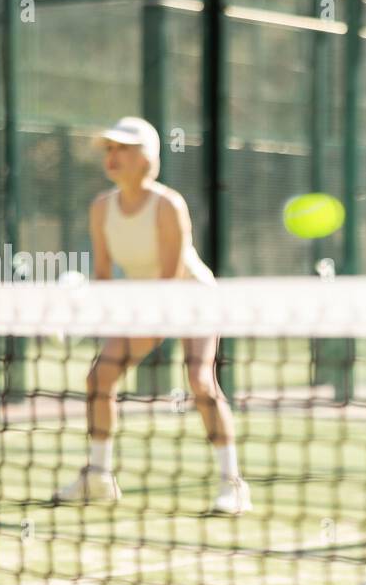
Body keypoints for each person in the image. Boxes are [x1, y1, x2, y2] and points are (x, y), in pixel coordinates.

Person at [52, 116, 252, 515]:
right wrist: (84, 312)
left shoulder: (167, 205)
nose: (113, 156)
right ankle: (98, 476)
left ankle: (233, 484)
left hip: (191, 296)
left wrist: (132, 313)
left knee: (199, 381)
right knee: (99, 376)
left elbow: (171, 275)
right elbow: (105, 276)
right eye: (109, 149)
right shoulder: (100, 208)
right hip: (150, 299)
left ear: (146, 158)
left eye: (123, 148)